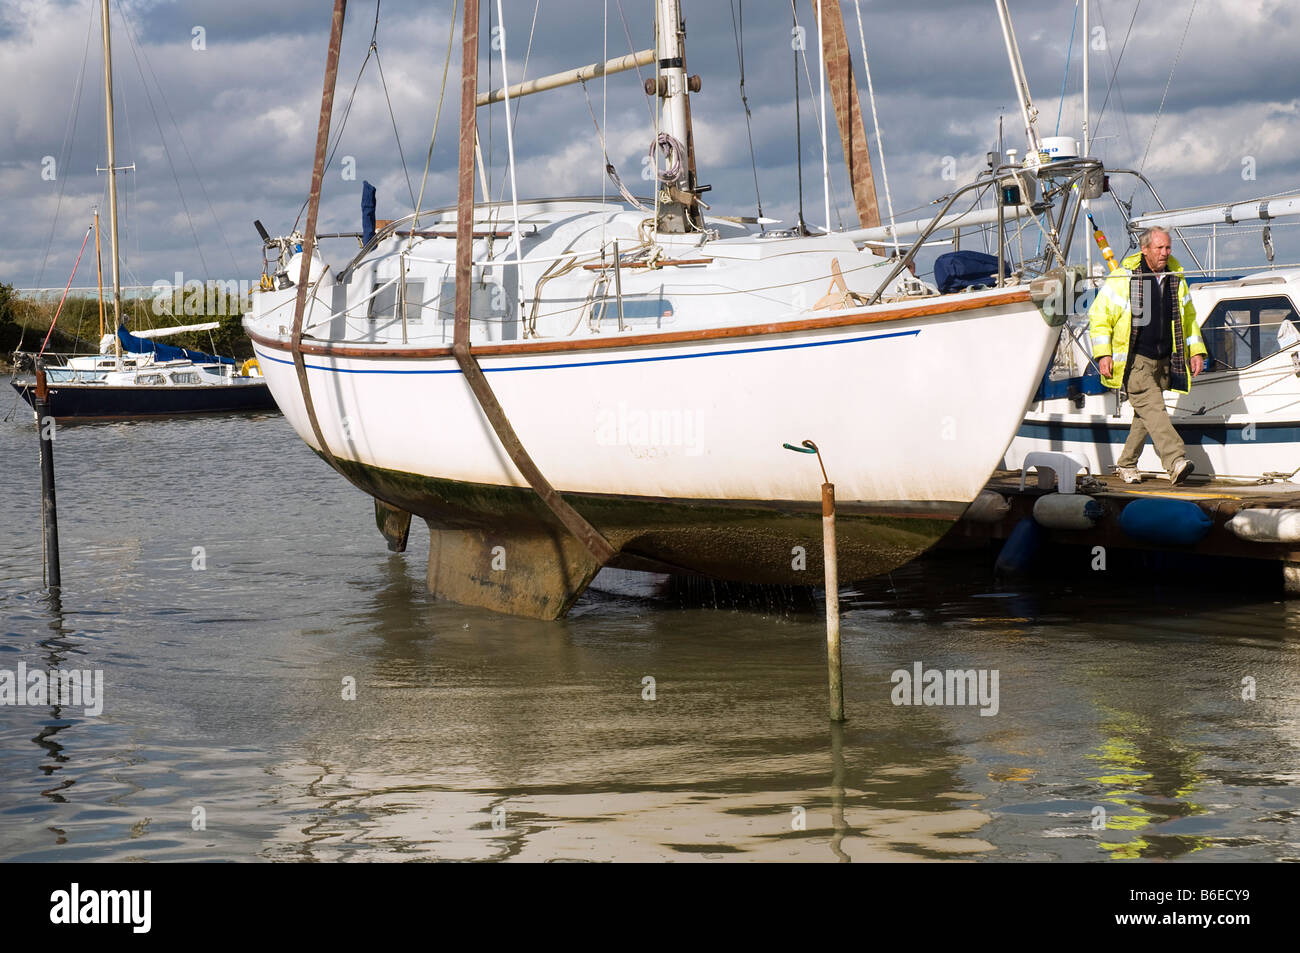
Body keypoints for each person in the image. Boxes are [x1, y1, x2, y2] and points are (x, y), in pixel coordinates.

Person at [1088, 226, 1207, 485]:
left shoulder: (1175, 278)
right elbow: (1099, 317)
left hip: (1164, 359)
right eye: (1159, 248)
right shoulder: (1123, 278)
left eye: (1168, 248)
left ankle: (1126, 463)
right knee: (1154, 409)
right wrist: (1103, 354)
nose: (1165, 253)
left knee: (1145, 415)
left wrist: (1196, 350)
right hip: (1135, 361)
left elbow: (1188, 318)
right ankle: (1175, 460)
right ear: (1145, 250)